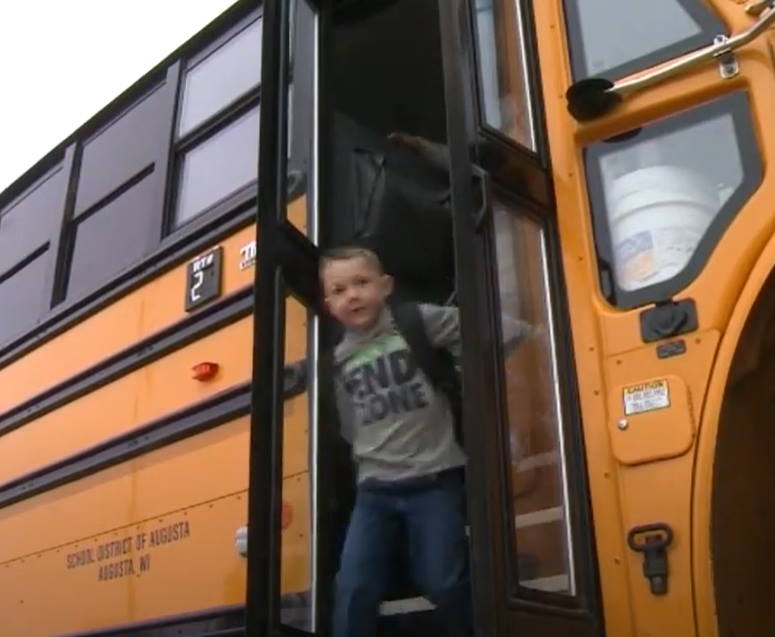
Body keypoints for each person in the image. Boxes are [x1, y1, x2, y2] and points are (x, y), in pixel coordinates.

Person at [321, 245, 472, 637]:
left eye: (361, 282)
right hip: (374, 491)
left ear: (385, 286)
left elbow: (491, 331)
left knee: (442, 580)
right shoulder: (337, 359)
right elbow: (348, 424)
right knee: (353, 588)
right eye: (338, 290)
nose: (351, 295)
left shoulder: (415, 322)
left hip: (434, 479)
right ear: (328, 303)